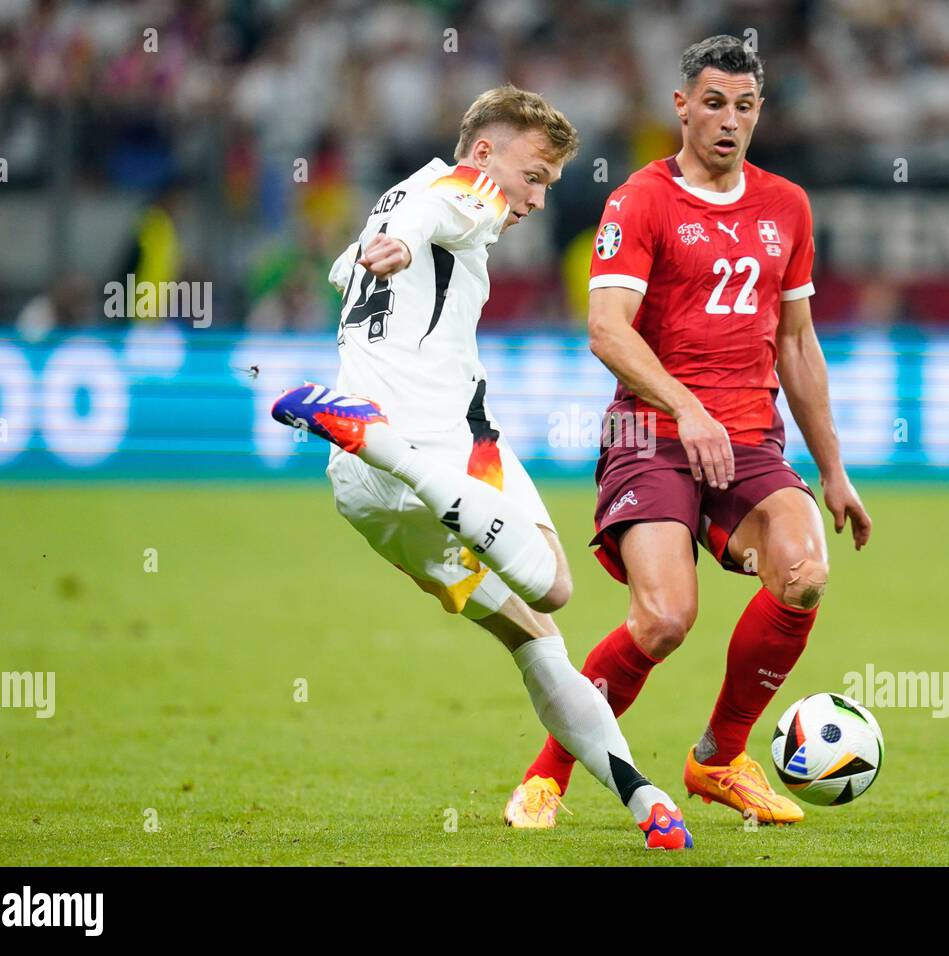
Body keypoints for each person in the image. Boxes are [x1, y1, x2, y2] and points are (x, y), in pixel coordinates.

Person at [269, 85, 691, 850]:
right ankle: (374, 437)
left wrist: (370, 252)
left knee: (531, 637)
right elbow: (449, 210)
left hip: (362, 495)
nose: (533, 198)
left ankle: (642, 797)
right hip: (436, 444)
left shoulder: (391, 201)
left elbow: (364, 255)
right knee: (554, 588)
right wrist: (404, 238)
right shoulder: (463, 190)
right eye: (534, 176)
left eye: (549, 186)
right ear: (487, 152)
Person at [509, 36, 872, 827]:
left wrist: (834, 468)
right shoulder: (640, 199)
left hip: (750, 440)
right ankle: (548, 773)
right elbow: (607, 330)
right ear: (681, 106)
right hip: (652, 433)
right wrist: (687, 407)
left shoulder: (787, 206)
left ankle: (719, 758)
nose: (728, 121)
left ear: (759, 113)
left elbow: (799, 344)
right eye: (713, 103)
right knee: (666, 619)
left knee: (805, 572)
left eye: (744, 106)